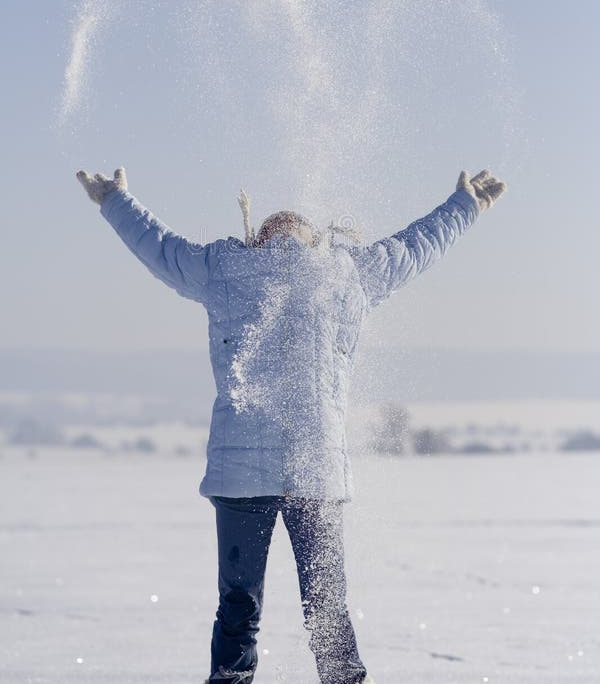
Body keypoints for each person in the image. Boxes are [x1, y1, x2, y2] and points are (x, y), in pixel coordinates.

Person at [76, 165, 506, 684]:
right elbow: (414, 247)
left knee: (239, 607)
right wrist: (464, 207)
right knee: (325, 610)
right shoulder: (344, 272)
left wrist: (116, 203)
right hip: (315, 475)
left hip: (244, 479)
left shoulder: (227, 267)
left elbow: (160, 248)